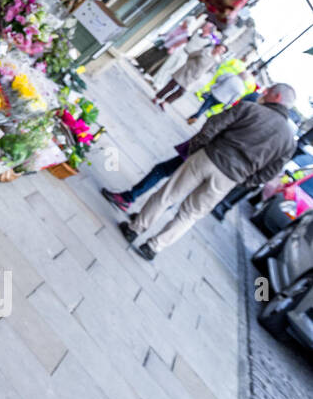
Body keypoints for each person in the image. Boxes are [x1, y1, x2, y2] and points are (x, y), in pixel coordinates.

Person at [120, 84, 298, 260]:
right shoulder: (289, 142)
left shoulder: (250, 109)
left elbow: (213, 124)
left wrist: (197, 148)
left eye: (269, 91)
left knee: (167, 195)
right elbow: (269, 173)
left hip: (209, 156)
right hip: (230, 177)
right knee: (190, 214)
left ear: (277, 98)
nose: (264, 93)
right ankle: (153, 247)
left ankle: (134, 229)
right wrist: (244, 180)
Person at [153, 42, 225, 109]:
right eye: (220, 48)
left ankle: (164, 102)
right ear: (216, 47)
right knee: (171, 85)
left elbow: (210, 70)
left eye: (222, 51)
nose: (220, 51)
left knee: (181, 92)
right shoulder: (205, 51)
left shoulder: (216, 61)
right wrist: (190, 65)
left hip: (194, 77)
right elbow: (191, 55)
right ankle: (157, 97)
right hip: (186, 70)